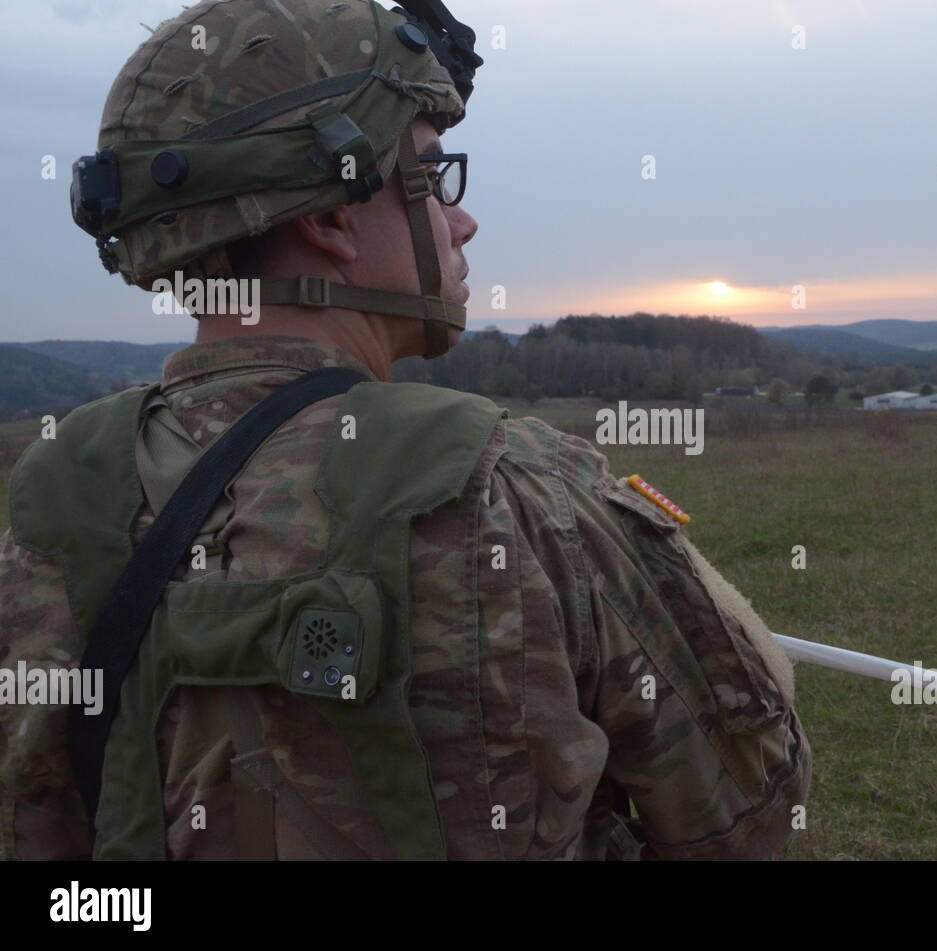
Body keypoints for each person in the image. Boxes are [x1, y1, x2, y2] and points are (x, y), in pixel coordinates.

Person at [0, 0, 810, 860]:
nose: (462, 221)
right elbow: (752, 809)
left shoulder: (50, 505)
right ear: (329, 219)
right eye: (433, 177)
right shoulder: (512, 487)